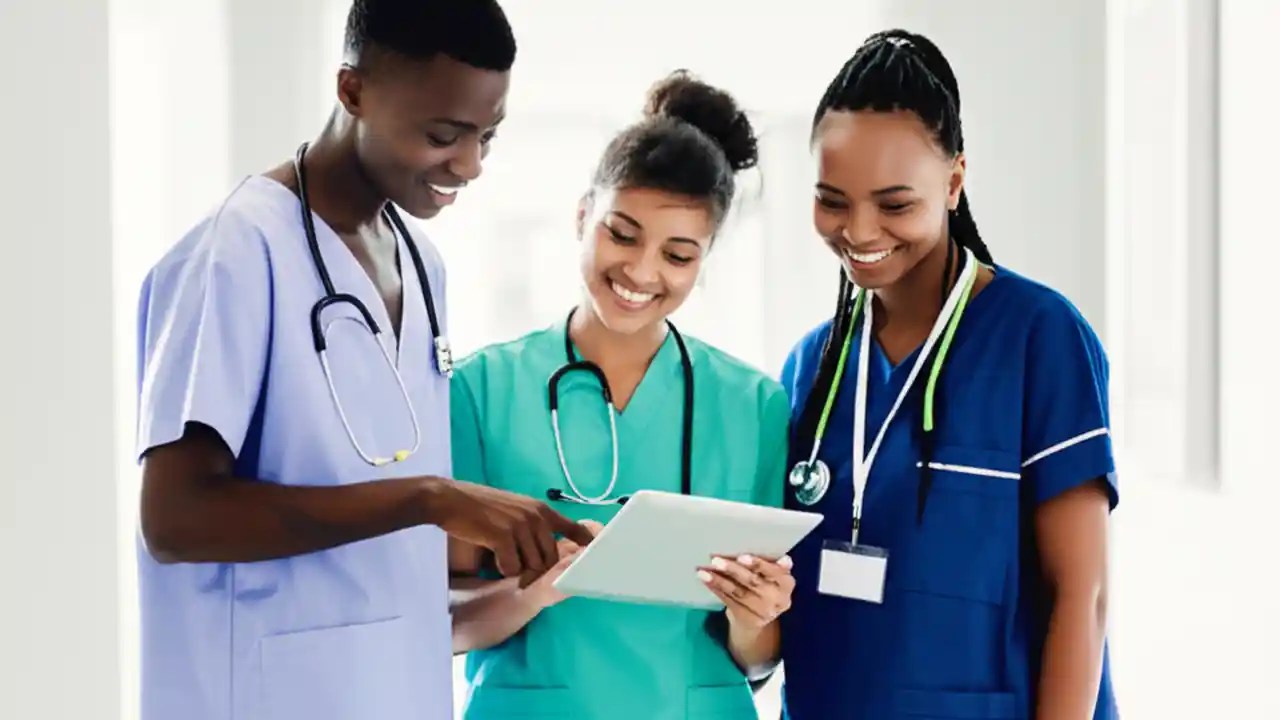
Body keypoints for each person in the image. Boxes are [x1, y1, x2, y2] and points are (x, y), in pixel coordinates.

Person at [133, 3, 593, 720]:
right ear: (352, 92)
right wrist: (431, 498)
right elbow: (176, 520)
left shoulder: (422, 263)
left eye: (487, 137)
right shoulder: (237, 252)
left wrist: (542, 576)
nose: (468, 166)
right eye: (444, 135)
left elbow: (382, 577)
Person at [777, 30, 1119, 720]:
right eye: (832, 200)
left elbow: (1082, 594)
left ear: (955, 182)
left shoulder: (1039, 336)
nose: (860, 231)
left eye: (895, 204)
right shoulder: (810, 367)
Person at [447, 70, 795, 720]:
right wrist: (534, 593)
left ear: (706, 255)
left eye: (678, 254)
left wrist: (757, 617)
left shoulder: (753, 406)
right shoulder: (479, 390)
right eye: (622, 233)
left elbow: (758, 659)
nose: (640, 272)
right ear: (583, 216)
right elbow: (443, 621)